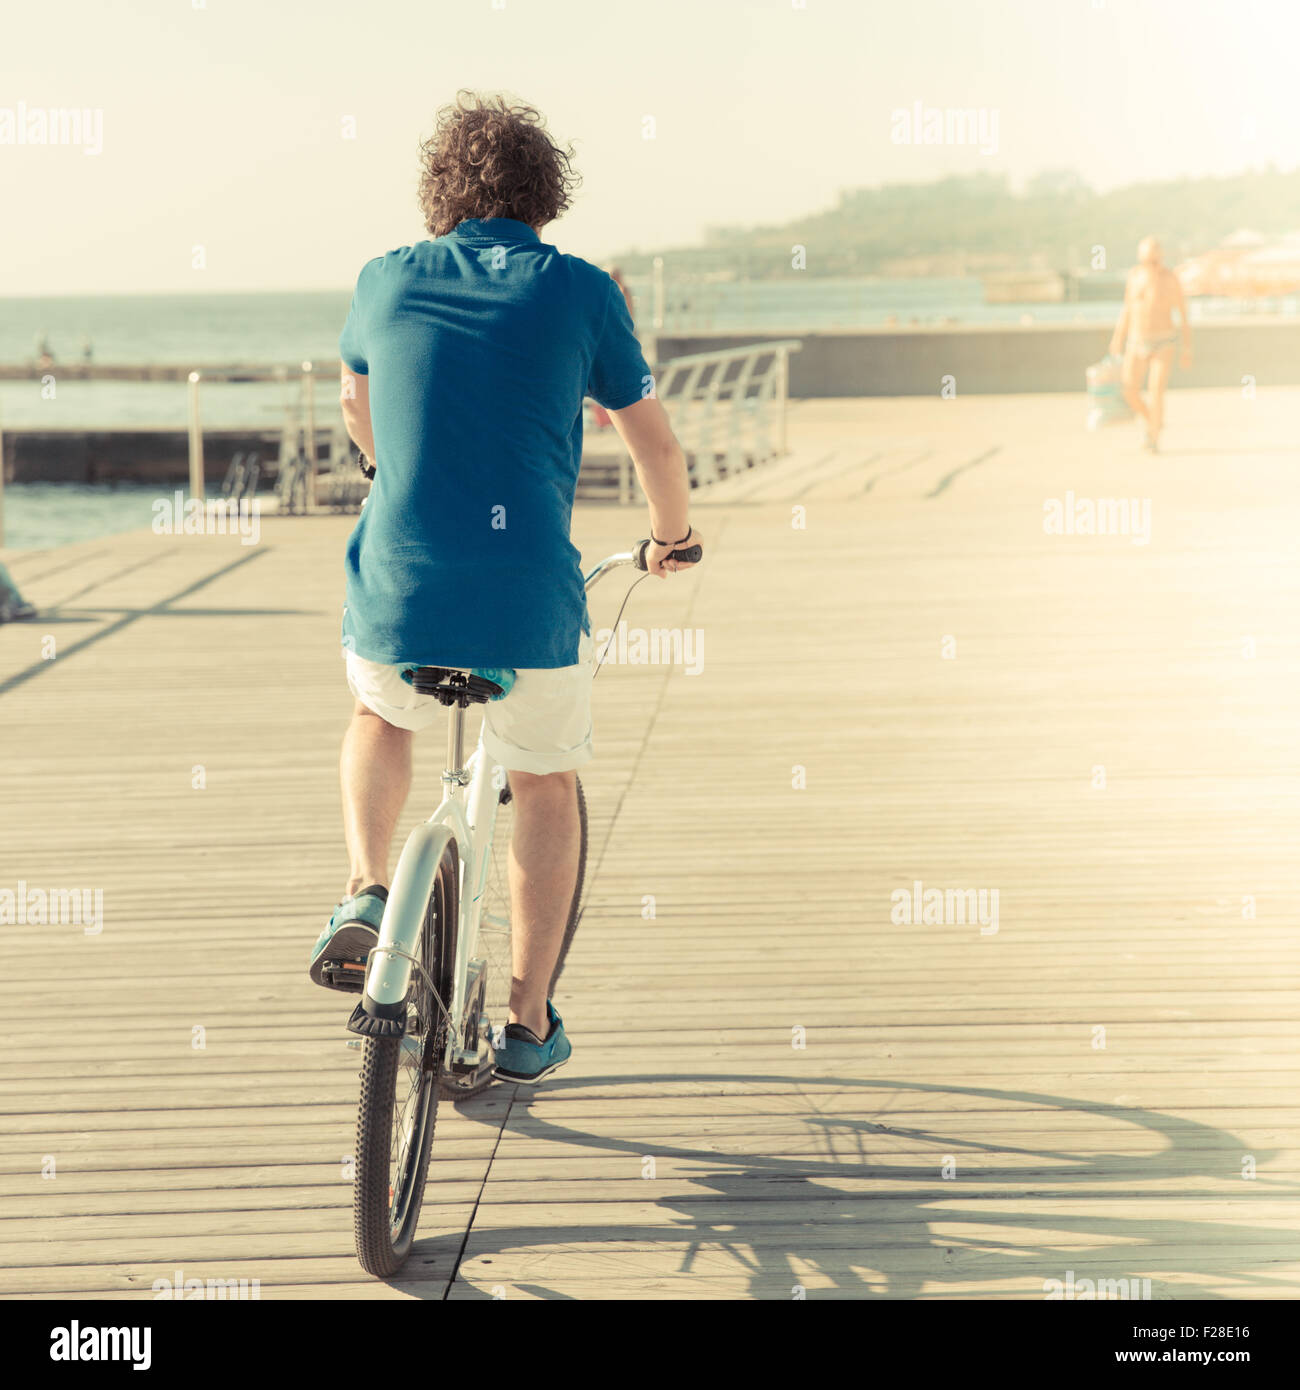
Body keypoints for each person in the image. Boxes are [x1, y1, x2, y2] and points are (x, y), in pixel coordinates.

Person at [308, 91, 702, 1084]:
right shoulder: (579, 291)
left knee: (378, 714)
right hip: (526, 598)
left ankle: (364, 888)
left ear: (440, 191)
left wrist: (378, 467)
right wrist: (673, 539)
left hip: (397, 585)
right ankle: (526, 1021)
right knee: (543, 781)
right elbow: (650, 437)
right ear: (546, 194)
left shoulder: (383, 279)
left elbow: (355, 397)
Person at [1109, 236, 1193, 452]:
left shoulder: (1170, 279)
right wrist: (1118, 336)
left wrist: (1187, 347)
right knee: (1129, 389)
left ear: (1161, 258)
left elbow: (1183, 315)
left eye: (1155, 259)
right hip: (1136, 341)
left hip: (1163, 341)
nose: (1152, 264)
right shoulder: (1135, 276)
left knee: (1156, 390)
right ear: (1141, 259)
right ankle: (1152, 421)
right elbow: (1127, 308)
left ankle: (1153, 437)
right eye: (1148, 260)